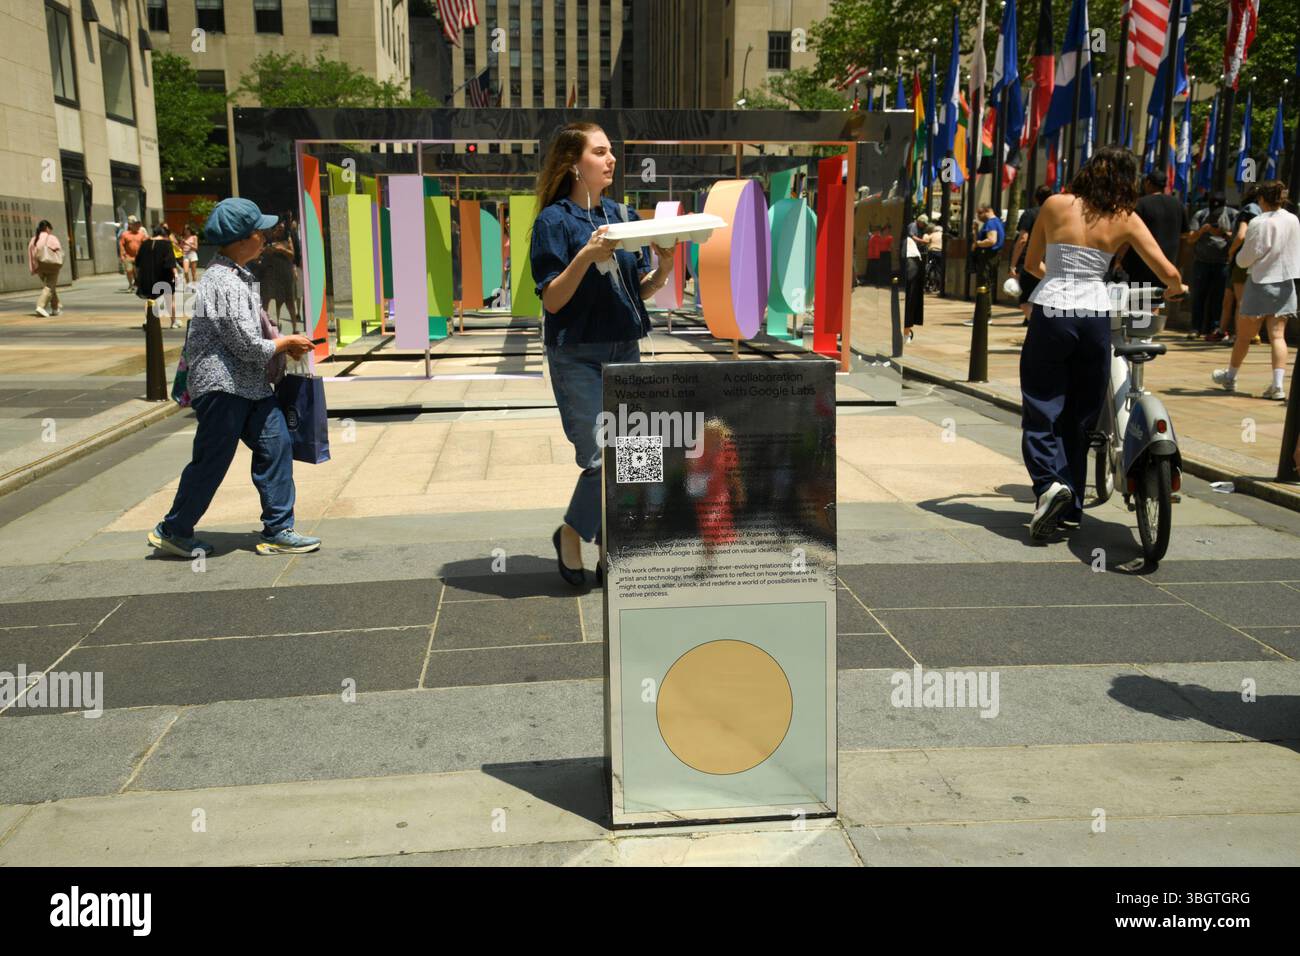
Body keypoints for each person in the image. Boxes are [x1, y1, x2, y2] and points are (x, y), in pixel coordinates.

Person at [529, 121, 678, 586]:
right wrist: (585, 257)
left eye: (611, 151)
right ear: (575, 163)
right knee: (601, 457)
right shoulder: (553, 222)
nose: (611, 159)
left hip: (624, 349)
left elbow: (639, 290)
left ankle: (606, 545)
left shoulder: (624, 215)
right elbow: (552, 299)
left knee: (634, 457)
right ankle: (574, 532)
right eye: (600, 151)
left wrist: (667, 265)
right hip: (577, 355)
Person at [1020, 147, 1187, 539]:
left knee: (1042, 404)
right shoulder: (1124, 218)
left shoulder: (1055, 204)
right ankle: (1073, 507)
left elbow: (1030, 263)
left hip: (1052, 310)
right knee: (1082, 414)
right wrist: (1177, 288)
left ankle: (1048, 485)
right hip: (1095, 316)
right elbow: (1169, 272)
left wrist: (1056, 276)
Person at [148, 198, 320, 559]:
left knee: (276, 447)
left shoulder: (236, 276)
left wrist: (280, 346)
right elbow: (245, 345)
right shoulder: (220, 283)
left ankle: (279, 529)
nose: (266, 237)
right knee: (212, 460)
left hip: (251, 386)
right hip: (223, 386)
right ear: (243, 239)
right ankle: (174, 529)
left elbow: (248, 345)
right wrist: (284, 342)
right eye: (261, 231)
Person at [1211, 181, 1300, 399]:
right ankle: (1277, 385)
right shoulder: (1293, 219)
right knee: (1278, 336)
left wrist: (1238, 260)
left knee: (1244, 335)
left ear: (1262, 199)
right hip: (1286, 281)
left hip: (1260, 280)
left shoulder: (1259, 222)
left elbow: (1247, 256)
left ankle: (1230, 376)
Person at [1208, 185, 1262, 343]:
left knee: (1240, 301)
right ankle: (1225, 331)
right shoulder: (1262, 212)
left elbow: (1240, 236)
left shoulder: (1249, 210)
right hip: (1248, 259)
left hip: (1240, 260)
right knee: (1230, 298)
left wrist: (1231, 252)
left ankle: (1241, 335)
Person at [1187, 190, 1236, 339]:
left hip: (1222, 263)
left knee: (1219, 298)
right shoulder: (1201, 214)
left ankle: (1216, 327)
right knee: (1198, 296)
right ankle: (1195, 328)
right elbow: (1190, 239)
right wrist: (1202, 231)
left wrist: (1223, 233)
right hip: (1202, 262)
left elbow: (1238, 238)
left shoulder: (1233, 214)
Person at [1010, 187, 1055, 326]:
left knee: (1024, 300)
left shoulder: (1030, 214)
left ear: (1036, 198)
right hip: (1050, 259)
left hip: (1030, 259)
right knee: (1041, 296)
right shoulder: (1055, 215)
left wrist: (1013, 264)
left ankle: (1039, 326)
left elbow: (1023, 239)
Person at [28, 220, 65, 317]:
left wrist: (34, 268)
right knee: (49, 286)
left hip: (39, 266)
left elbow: (31, 255)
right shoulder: (51, 238)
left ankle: (55, 308)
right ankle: (40, 306)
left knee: (51, 287)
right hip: (51, 265)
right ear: (47, 228)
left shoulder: (33, 239)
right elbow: (59, 250)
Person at [118, 215, 146, 293]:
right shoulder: (125, 234)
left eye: (138, 224)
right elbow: (121, 245)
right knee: (129, 271)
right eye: (135, 224)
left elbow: (146, 244)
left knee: (137, 273)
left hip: (138, 257)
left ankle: (136, 284)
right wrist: (122, 255)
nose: (137, 226)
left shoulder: (141, 234)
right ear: (130, 225)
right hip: (128, 256)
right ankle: (130, 285)